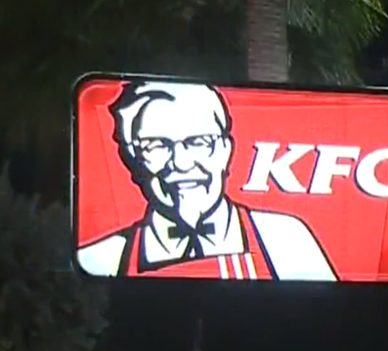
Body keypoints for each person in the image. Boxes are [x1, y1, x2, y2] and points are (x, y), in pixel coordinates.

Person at [76, 80, 337, 280]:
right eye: (156, 146)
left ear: (226, 151)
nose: (181, 163)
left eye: (199, 143)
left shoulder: (285, 239)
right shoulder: (102, 258)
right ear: (133, 160)